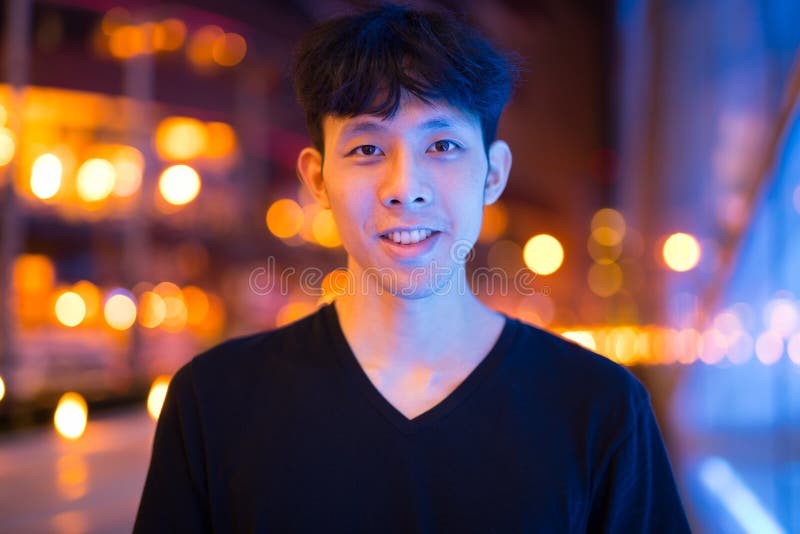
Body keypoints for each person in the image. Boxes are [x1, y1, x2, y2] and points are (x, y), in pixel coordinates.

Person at [134, 4, 691, 532]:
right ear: (318, 179)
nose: (405, 189)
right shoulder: (214, 404)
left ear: (493, 174)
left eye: (443, 145)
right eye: (367, 150)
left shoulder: (599, 410)